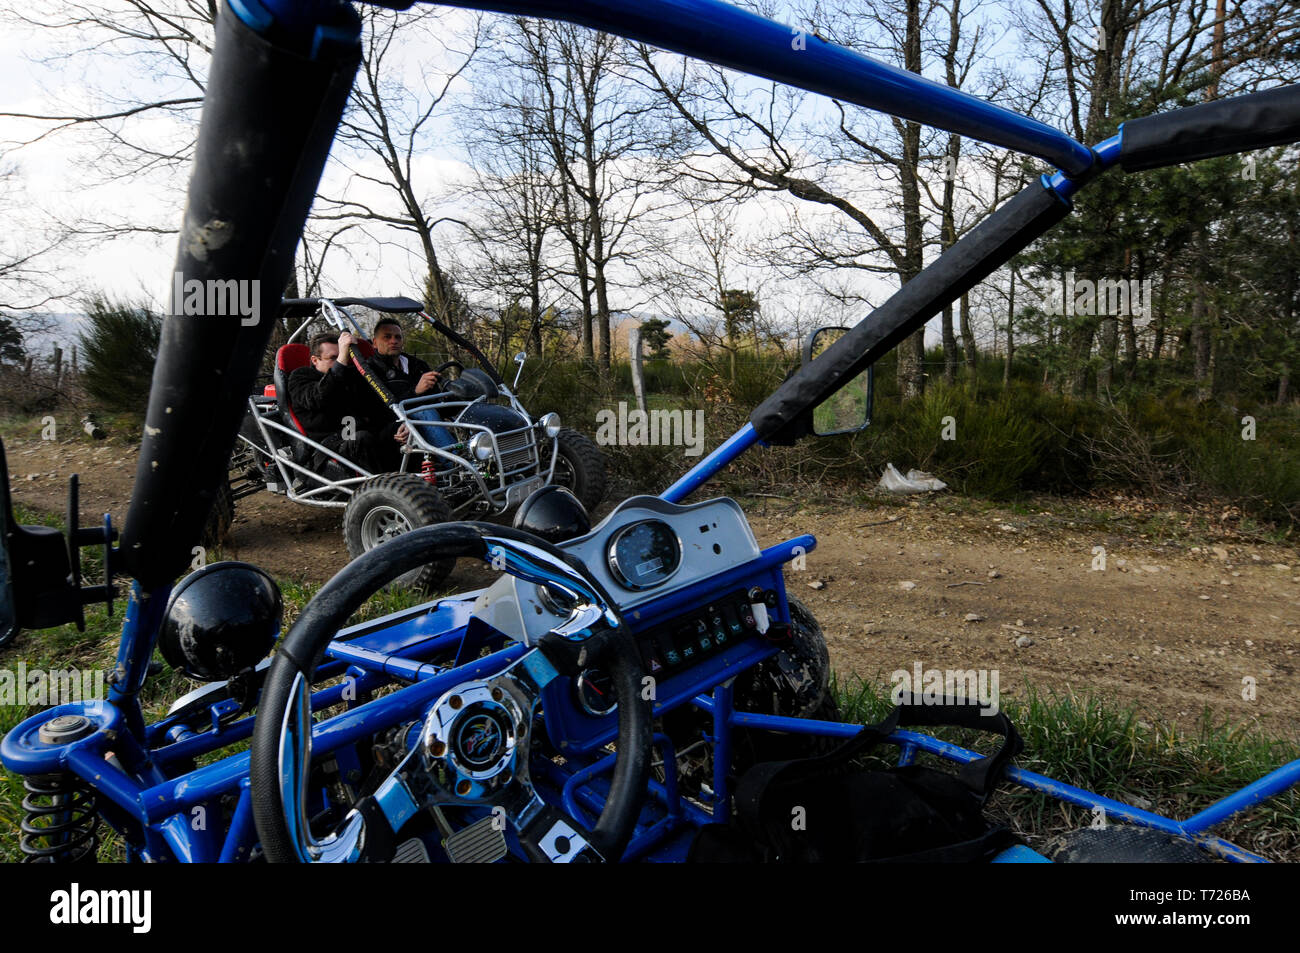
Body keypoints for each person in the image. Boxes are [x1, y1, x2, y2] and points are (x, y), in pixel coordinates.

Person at [287, 331, 390, 474]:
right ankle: (383, 488)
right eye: (333, 358)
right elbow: (319, 398)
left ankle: (419, 480)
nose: (340, 361)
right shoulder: (300, 376)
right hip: (328, 445)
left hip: (356, 432)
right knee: (362, 438)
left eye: (341, 356)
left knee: (395, 429)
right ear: (315, 360)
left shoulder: (349, 375)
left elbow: (374, 406)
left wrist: (398, 425)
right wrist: (341, 360)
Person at [361, 318, 456, 451]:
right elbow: (376, 411)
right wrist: (415, 392)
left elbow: (436, 403)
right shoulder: (368, 370)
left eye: (398, 337)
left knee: (471, 406)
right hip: (389, 428)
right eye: (387, 337)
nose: (393, 341)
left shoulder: (418, 365)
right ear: (375, 343)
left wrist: (454, 398)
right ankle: (456, 462)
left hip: (425, 425)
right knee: (423, 412)